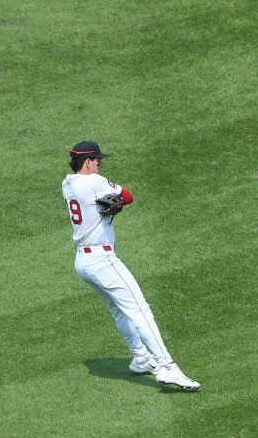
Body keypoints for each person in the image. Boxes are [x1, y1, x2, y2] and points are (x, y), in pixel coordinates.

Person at [62, 141, 200, 391]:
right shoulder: (94, 181)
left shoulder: (67, 183)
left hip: (83, 261)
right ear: (89, 162)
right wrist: (117, 203)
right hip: (102, 260)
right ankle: (167, 367)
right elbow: (128, 196)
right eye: (99, 161)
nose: (101, 165)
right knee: (140, 309)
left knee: (118, 309)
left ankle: (141, 358)